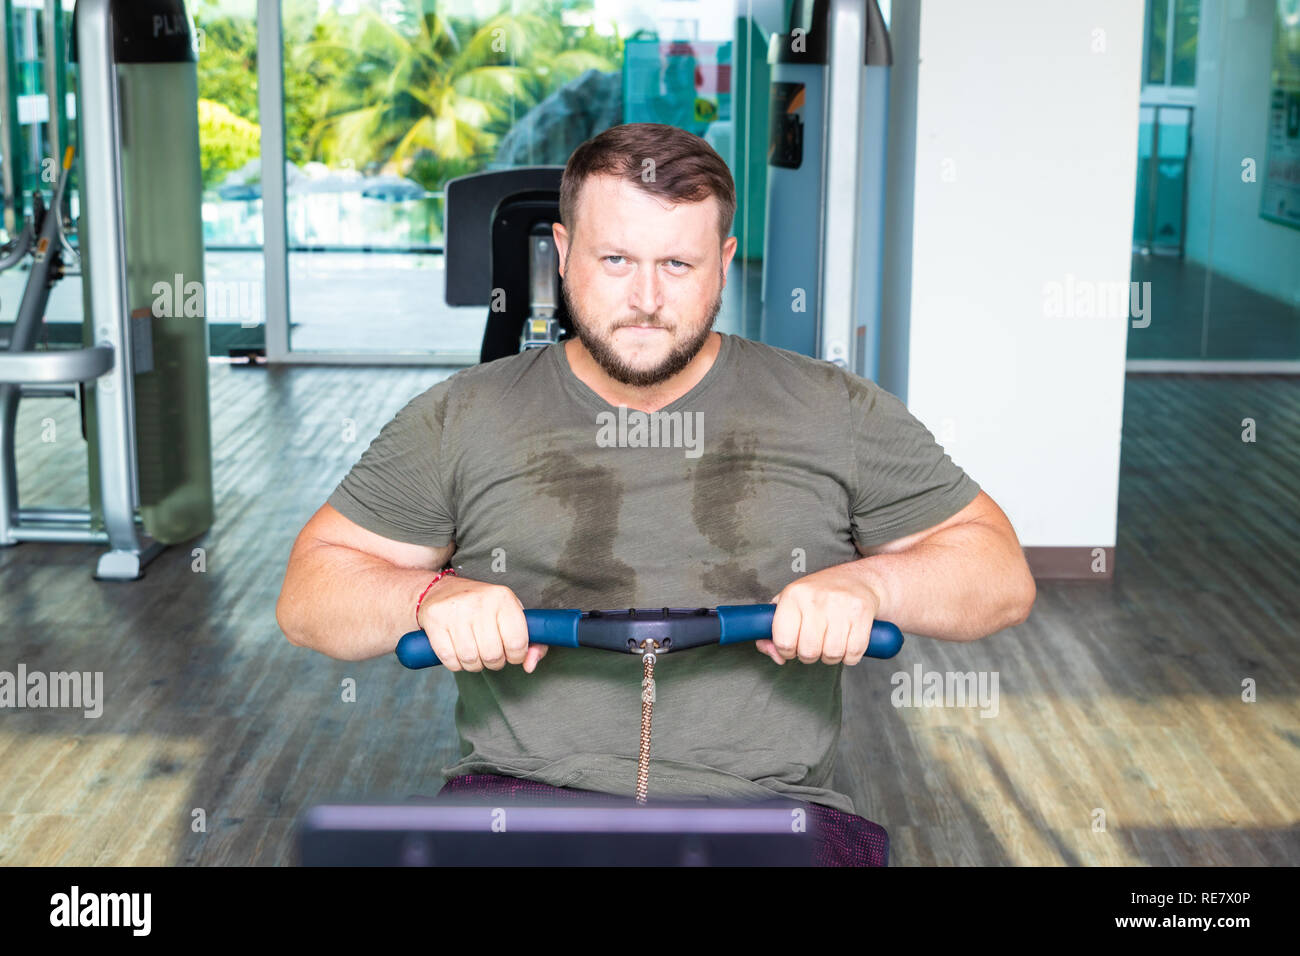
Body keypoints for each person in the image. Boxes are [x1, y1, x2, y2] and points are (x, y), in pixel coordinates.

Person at [276, 122, 1036, 866]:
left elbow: (998, 578)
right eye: (615, 259)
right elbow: (310, 593)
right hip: (520, 802)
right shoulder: (464, 416)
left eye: (678, 263)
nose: (645, 297)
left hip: (763, 812)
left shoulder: (832, 409)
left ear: (724, 263)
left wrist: (871, 583)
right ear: (565, 253)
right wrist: (428, 600)